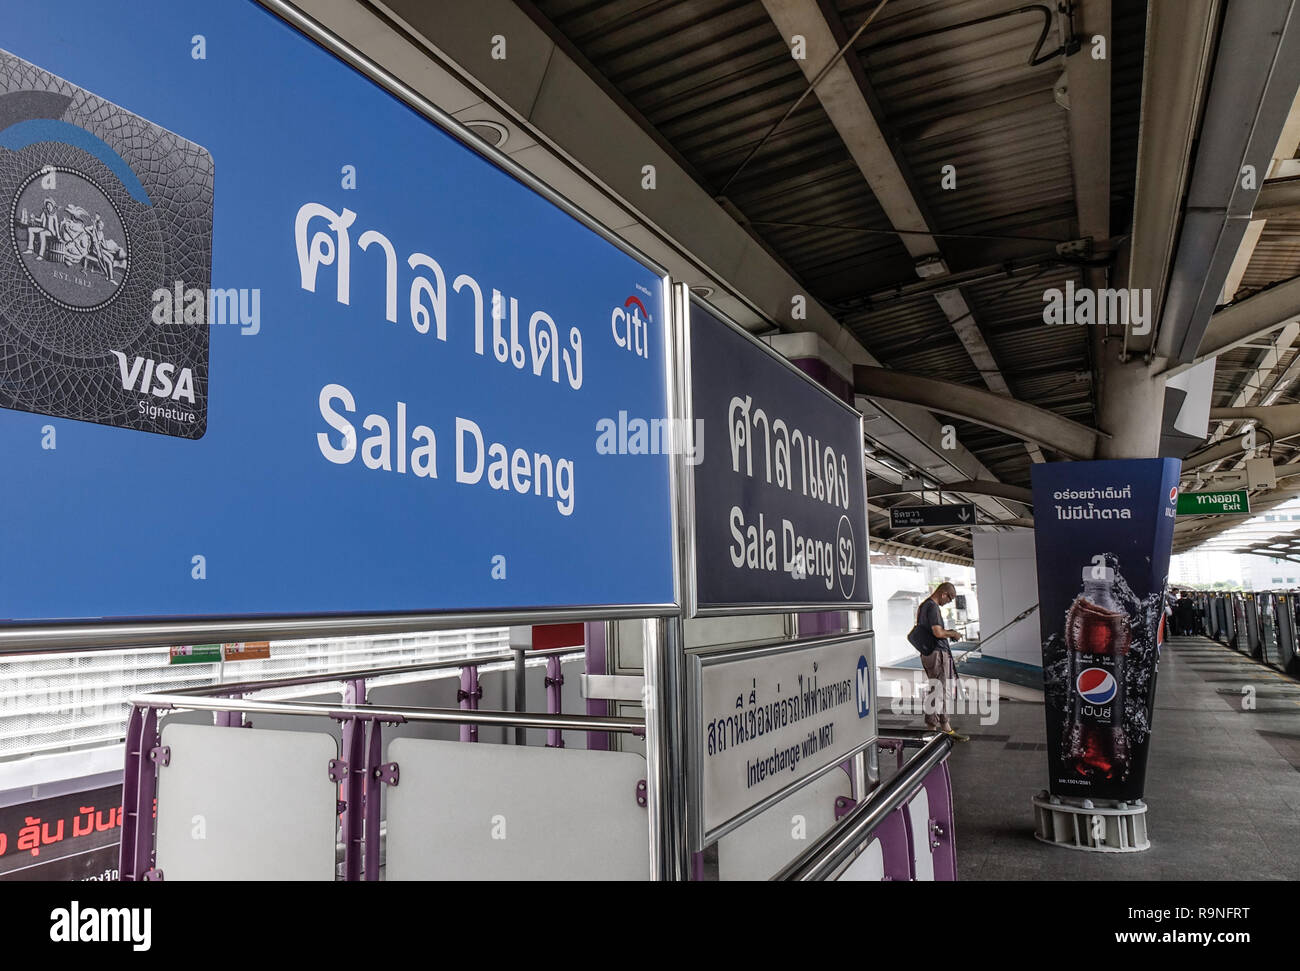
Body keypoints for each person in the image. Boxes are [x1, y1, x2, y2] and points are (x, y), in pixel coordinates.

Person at [913, 582, 968, 742]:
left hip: (930, 653)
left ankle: (945, 727)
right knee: (938, 691)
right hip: (937, 653)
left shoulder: (923, 606)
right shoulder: (932, 607)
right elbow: (937, 632)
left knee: (941, 691)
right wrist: (953, 634)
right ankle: (932, 729)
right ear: (943, 594)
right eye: (950, 599)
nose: (949, 602)